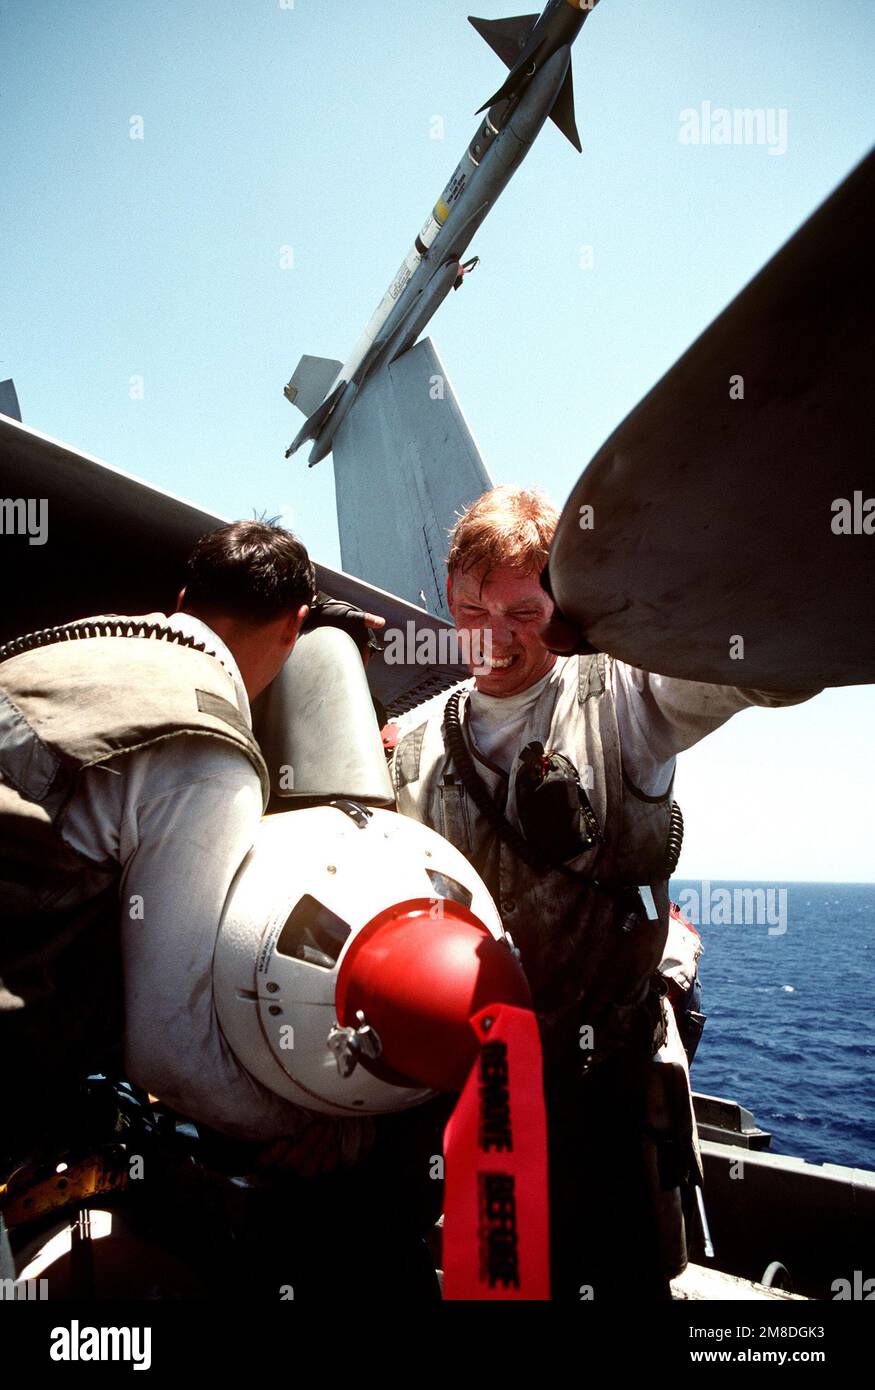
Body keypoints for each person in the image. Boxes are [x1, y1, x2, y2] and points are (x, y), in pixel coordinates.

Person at [392, 485, 819, 1300]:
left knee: (620, 1277)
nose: (491, 636)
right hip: (481, 1084)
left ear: (563, 603)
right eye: (469, 608)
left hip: (609, 1083)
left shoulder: (628, 698)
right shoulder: (413, 744)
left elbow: (761, 671)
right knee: (493, 1284)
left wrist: (799, 575)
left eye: (521, 611)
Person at [0, 519, 444, 1298]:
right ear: (295, 626)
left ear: (182, 599)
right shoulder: (205, 755)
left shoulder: (60, 650)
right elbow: (169, 1054)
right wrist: (319, 1129)